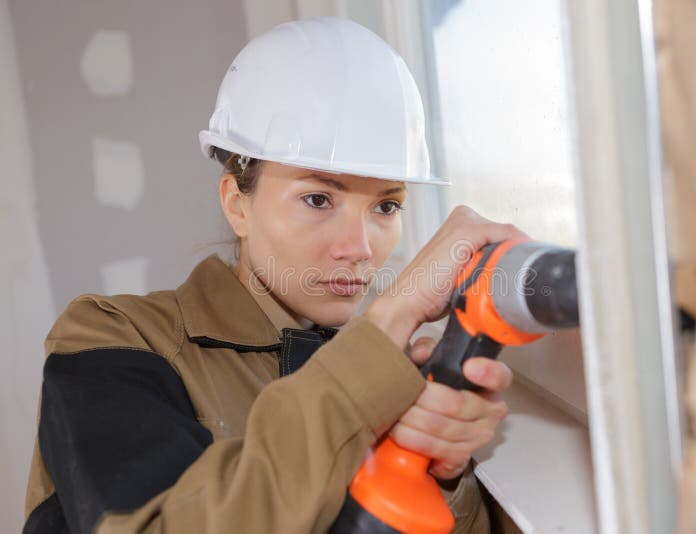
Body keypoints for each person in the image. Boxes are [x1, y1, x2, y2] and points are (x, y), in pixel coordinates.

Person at [23, 17, 526, 533]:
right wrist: (390, 322)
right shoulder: (112, 335)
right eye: (317, 198)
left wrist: (438, 472)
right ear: (236, 204)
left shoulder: (391, 365)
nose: (359, 248)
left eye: (387, 206)